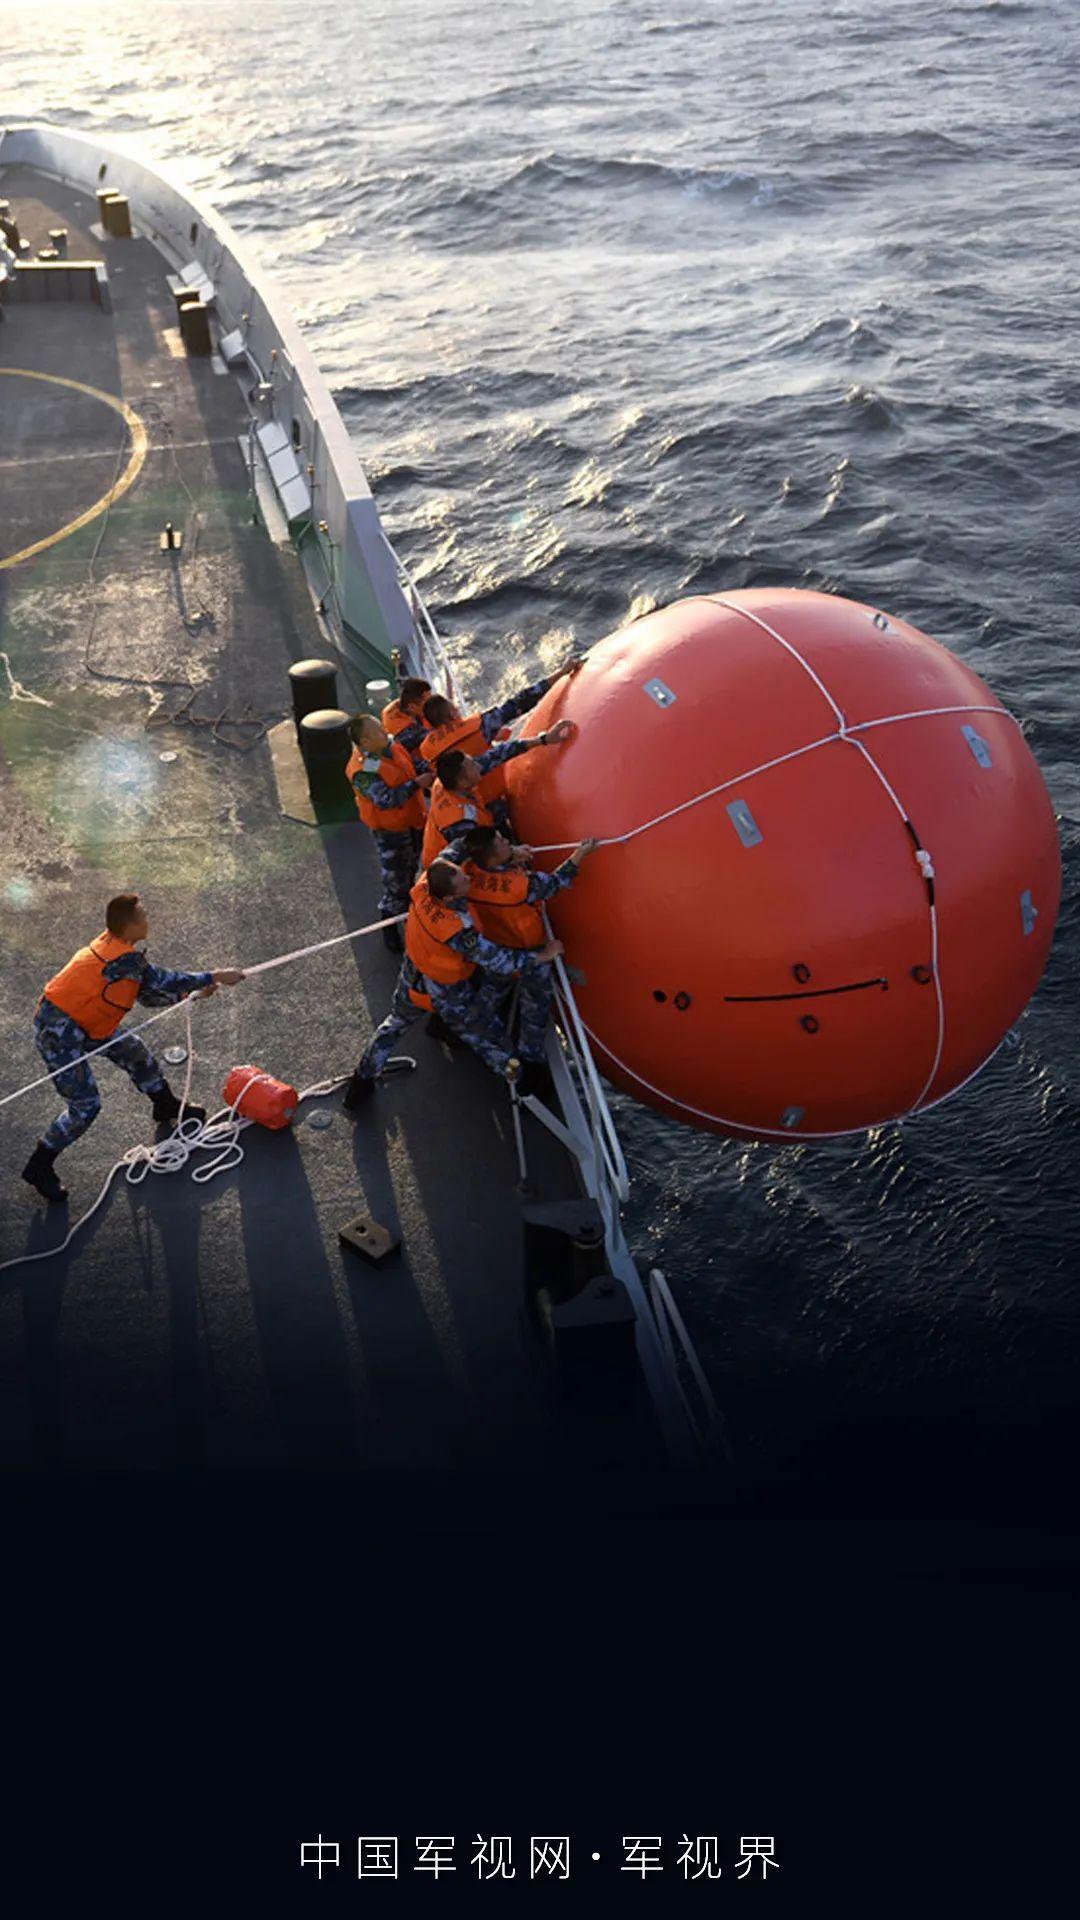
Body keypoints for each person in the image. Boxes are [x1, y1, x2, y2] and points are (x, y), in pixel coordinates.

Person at [21, 892, 245, 1203]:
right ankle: (40, 1164)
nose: (148, 920)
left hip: (88, 1021)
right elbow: (167, 979)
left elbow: (147, 995)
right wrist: (217, 975)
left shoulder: (119, 952)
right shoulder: (123, 960)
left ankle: (164, 1104)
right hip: (59, 1032)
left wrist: (191, 997)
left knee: (134, 1051)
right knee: (86, 1105)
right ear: (130, 926)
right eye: (144, 916)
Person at [342, 857, 564, 1107]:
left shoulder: (425, 885)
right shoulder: (456, 930)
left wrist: (507, 851)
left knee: (394, 1025)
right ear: (448, 899)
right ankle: (525, 1087)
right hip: (449, 994)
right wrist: (543, 954)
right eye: (463, 879)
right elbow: (499, 960)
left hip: (413, 977)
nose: (468, 877)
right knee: (487, 1037)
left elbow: (454, 850)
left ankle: (361, 1081)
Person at [420, 655, 583, 804]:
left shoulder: (428, 751)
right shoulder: (481, 726)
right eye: (454, 707)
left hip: (468, 804)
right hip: (493, 798)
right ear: (451, 713)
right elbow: (519, 702)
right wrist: (561, 673)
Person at [421, 720, 575, 868]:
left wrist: (543, 740)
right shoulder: (459, 822)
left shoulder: (450, 780)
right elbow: (478, 853)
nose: (479, 766)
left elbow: (498, 754)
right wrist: (512, 855)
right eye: (473, 765)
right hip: (447, 871)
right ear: (463, 782)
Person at [346, 713, 435, 950]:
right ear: (365, 741)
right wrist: (418, 784)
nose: (384, 731)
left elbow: (409, 764)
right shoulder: (363, 772)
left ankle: (409, 914)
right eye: (377, 730)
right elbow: (385, 799)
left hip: (413, 822)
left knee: (413, 868)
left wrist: (426, 768)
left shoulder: (390, 746)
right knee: (396, 883)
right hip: (391, 833)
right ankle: (389, 926)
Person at [461, 825, 598, 949]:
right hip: (520, 941)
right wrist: (579, 855)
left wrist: (511, 854)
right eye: (502, 842)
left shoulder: (466, 871)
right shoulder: (516, 888)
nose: (508, 842)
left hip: (495, 933)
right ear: (492, 857)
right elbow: (553, 884)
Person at [380, 676, 432, 767]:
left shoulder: (405, 705)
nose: (432, 704)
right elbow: (433, 737)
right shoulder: (405, 732)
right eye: (428, 702)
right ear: (412, 707)